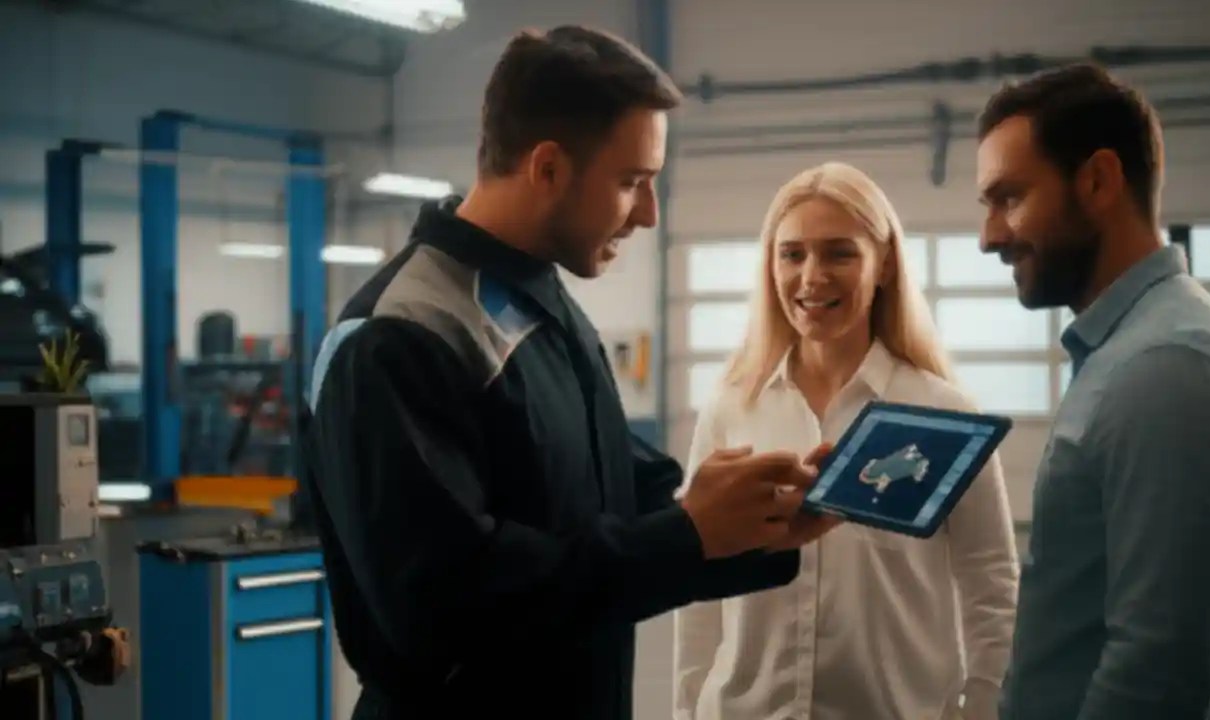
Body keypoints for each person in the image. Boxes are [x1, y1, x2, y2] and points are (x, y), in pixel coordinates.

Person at [299, 25, 840, 720]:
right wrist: (687, 534)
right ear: (547, 167)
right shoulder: (396, 336)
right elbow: (444, 606)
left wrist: (757, 521)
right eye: (631, 183)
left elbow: (607, 492)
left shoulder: (537, 301)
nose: (647, 213)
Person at [976, 63, 1210, 720]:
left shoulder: (1167, 366)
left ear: (1099, 181)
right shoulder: (1127, 351)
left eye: (1011, 198)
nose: (989, 236)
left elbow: (1158, 675)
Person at [673, 162, 1020, 720]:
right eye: (792, 254)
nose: (811, 278)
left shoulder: (943, 413)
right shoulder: (732, 409)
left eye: (839, 253)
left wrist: (981, 709)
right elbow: (697, 594)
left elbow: (991, 585)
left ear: (883, 264)